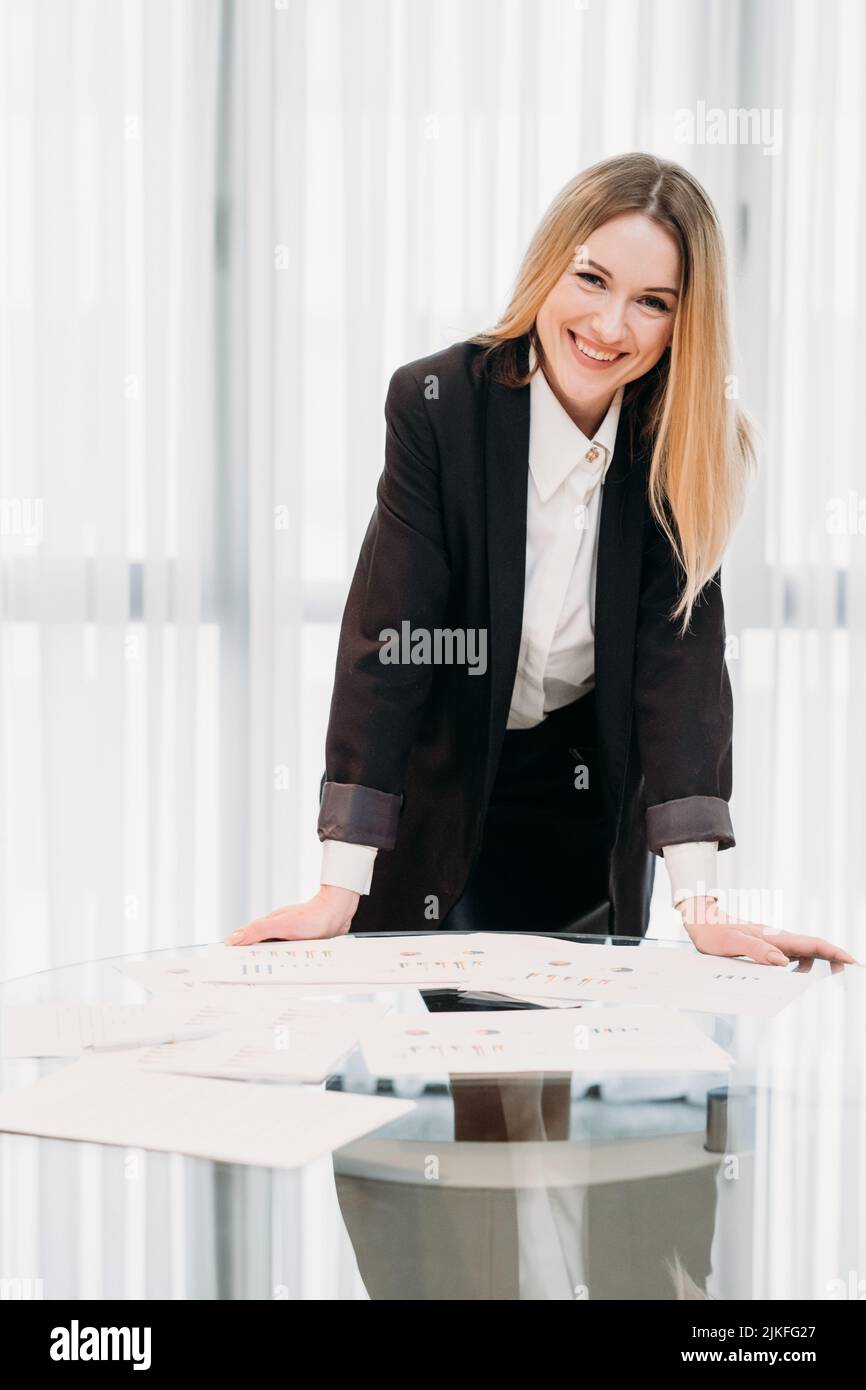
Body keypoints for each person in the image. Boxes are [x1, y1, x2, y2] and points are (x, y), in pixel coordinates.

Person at [228, 152, 854, 968]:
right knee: (479, 1052)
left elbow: (682, 670)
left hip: (585, 791)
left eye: (652, 303)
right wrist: (335, 888)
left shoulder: (685, 443)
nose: (609, 327)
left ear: (683, 321)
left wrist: (703, 906)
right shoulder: (439, 406)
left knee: (559, 1043)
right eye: (591, 280)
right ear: (549, 264)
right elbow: (391, 644)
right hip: (458, 780)